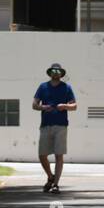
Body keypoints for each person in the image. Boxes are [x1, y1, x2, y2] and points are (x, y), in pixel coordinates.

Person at [33, 62, 76, 194]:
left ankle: (56, 184)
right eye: (53, 71)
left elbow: (74, 106)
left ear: (61, 74)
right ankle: (50, 177)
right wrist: (43, 107)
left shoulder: (66, 87)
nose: (56, 73)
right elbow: (34, 104)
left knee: (59, 155)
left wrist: (65, 106)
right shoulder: (43, 87)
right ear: (50, 72)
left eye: (58, 71)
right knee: (42, 155)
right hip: (46, 124)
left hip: (61, 125)